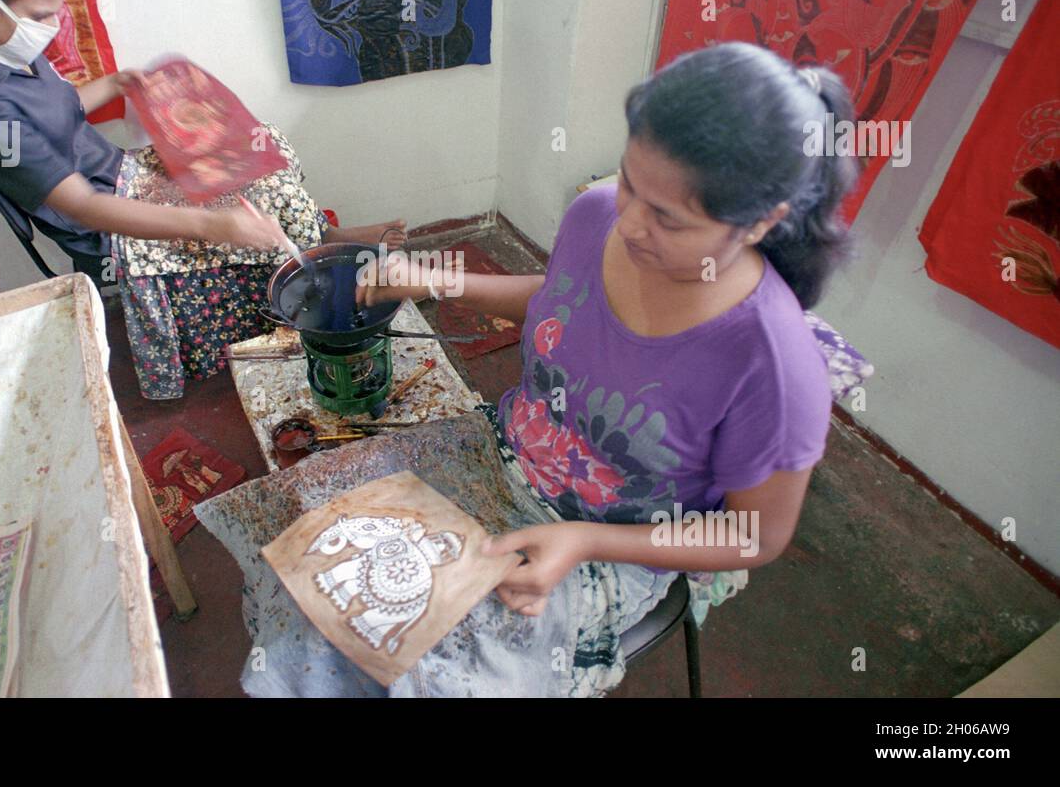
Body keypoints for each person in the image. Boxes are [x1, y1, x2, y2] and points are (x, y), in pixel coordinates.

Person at [239, 41, 857, 696]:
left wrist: (583, 541)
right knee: (308, 553)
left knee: (408, 663)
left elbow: (752, 535)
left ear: (762, 221)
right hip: (499, 455)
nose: (631, 224)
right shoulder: (597, 216)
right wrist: (430, 279)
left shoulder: (772, 363)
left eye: (668, 219)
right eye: (630, 184)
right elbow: (560, 299)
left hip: (615, 543)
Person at [0, 0, 403, 396]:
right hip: (104, 220)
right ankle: (313, 247)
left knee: (263, 144)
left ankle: (320, 231)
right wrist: (213, 223)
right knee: (251, 201)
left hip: (116, 172)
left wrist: (116, 83)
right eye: (40, 17)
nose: (49, 28)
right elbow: (81, 206)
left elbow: (56, 115)